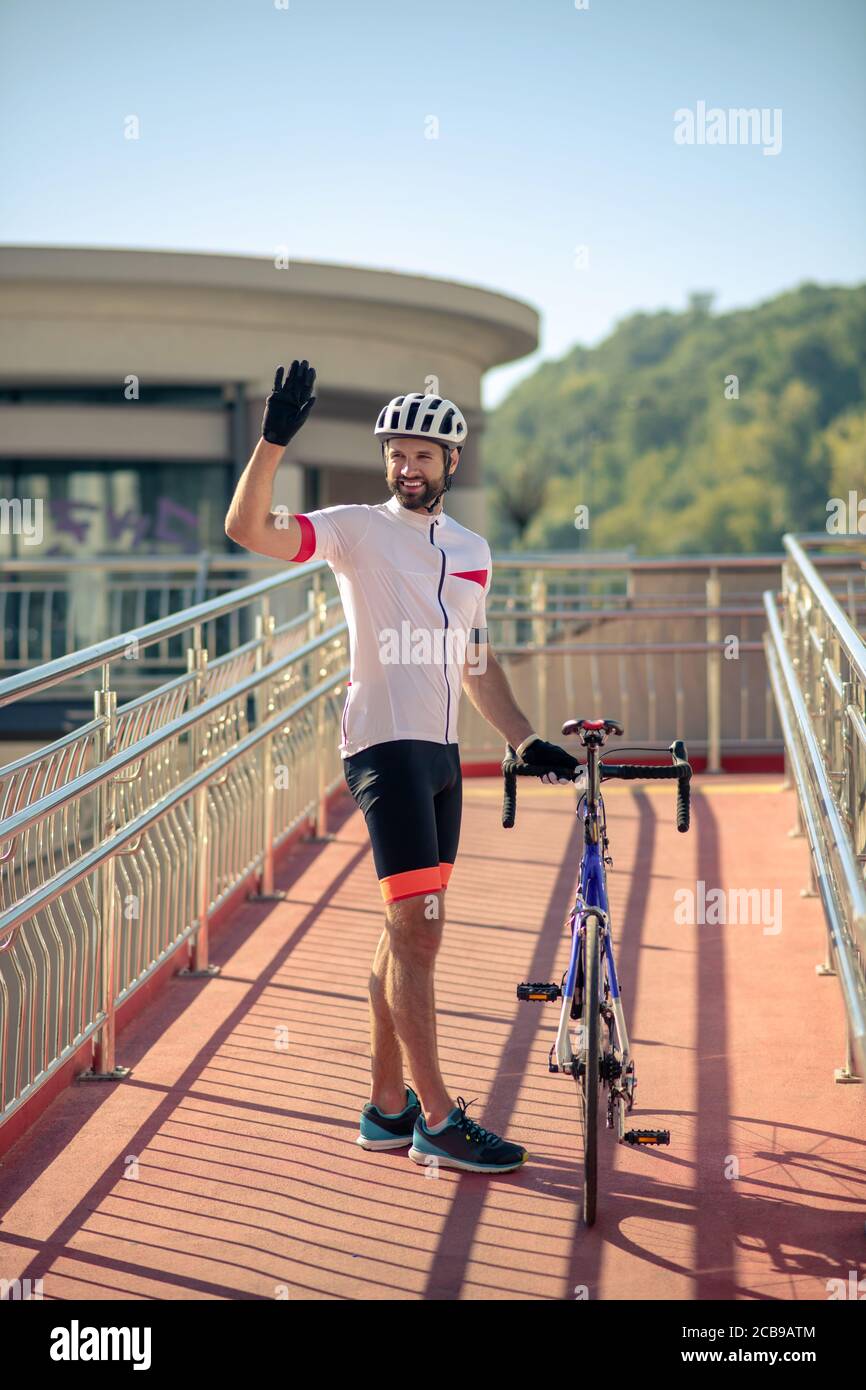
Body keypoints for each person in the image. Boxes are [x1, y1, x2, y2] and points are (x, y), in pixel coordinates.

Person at [225, 360, 580, 1173]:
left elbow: (475, 658)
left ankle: (387, 1108)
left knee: (408, 934)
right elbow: (249, 531)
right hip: (383, 747)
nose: (406, 468)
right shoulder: (356, 529)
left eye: (423, 456)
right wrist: (274, 440)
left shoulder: (472, 548)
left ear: (452, 464)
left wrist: (524, 740)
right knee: (418, 934)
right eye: (396, 454)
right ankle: (441, 1118)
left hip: (445, 757)